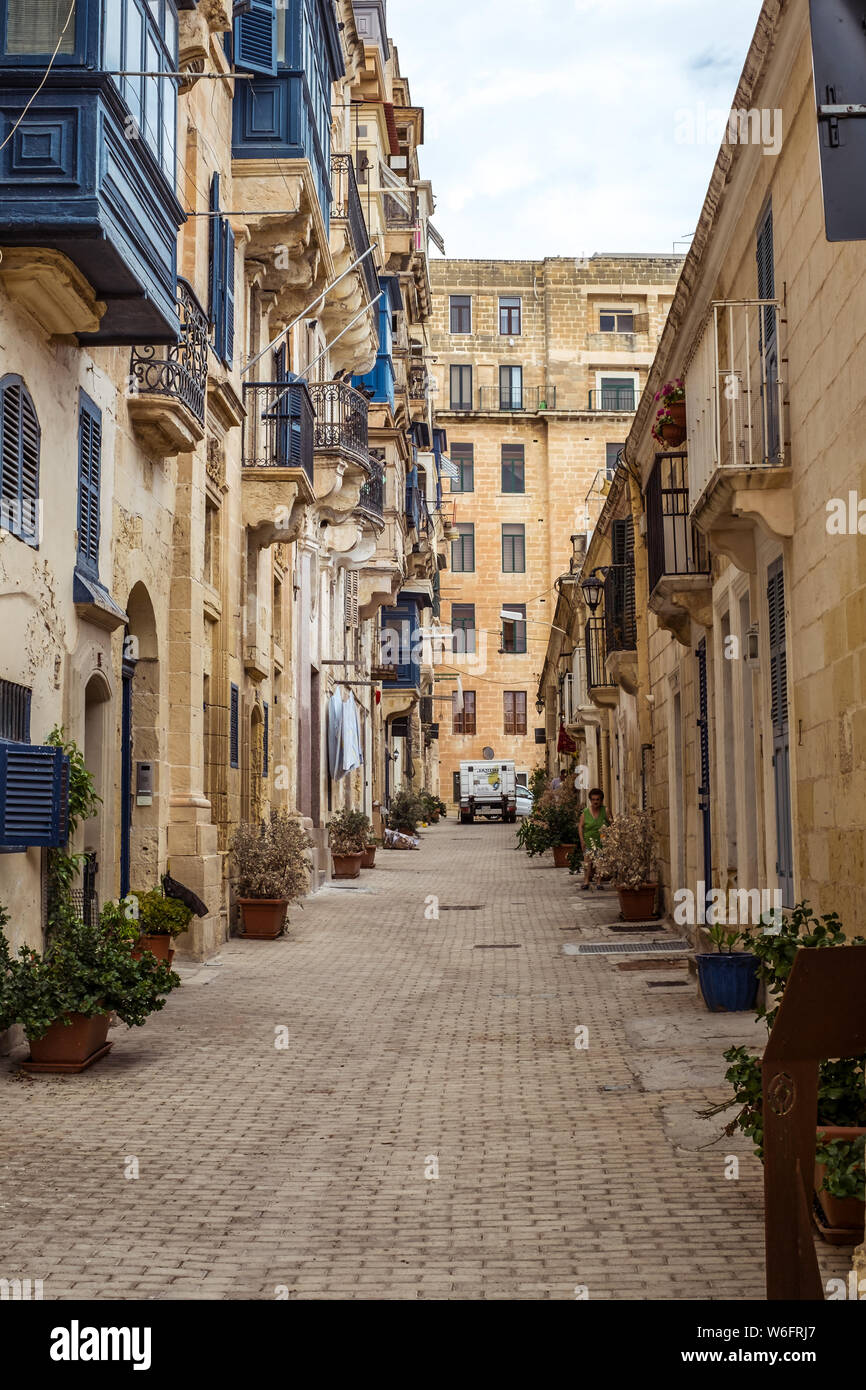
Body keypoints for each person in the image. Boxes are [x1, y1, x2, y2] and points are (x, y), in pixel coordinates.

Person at [579, 788, 610, 890]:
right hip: (589, 840)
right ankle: (586, 881)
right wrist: (582, 841)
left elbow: (612, 824)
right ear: (590, 800)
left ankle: (598, 882)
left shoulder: (605, 811)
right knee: (587, 861)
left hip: (601, 839)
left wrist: (610, 839)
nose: (595, 802)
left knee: (599, 861)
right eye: (593, 799)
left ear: (601, 800)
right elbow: (580, 826)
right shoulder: (585, 812)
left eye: (597, 799)